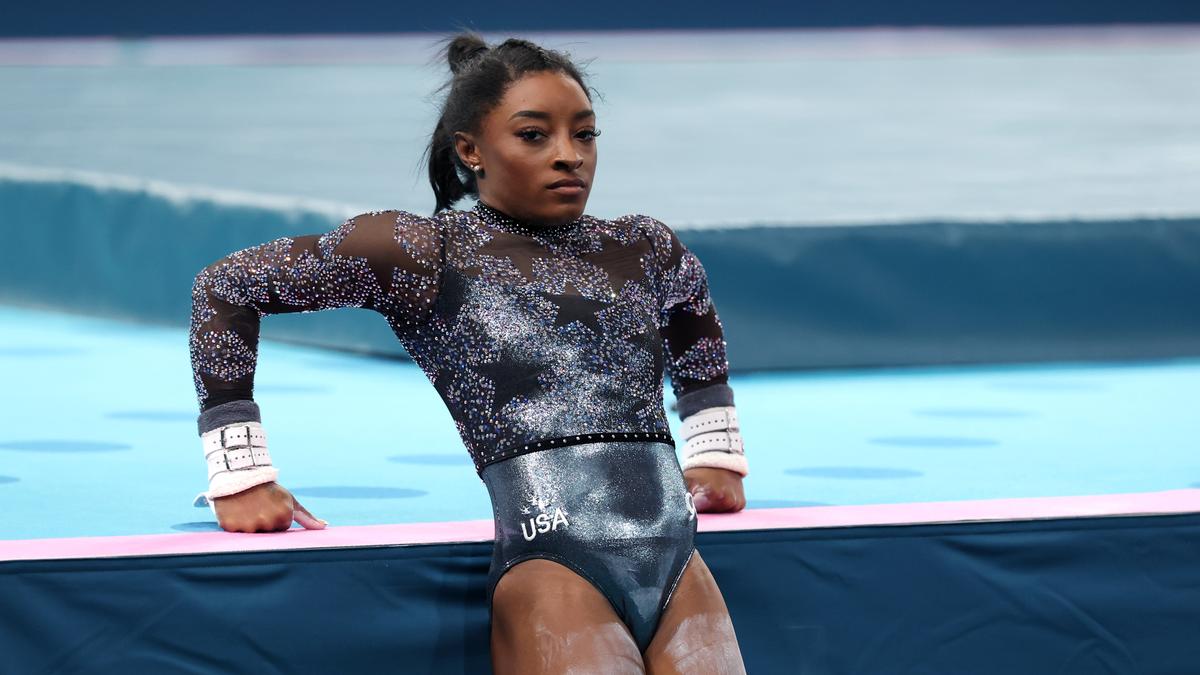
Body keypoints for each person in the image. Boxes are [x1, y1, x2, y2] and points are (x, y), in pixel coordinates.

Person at [188, 32, 750, 673]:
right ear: (471, 150)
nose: (569, 156)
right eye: (534, 135)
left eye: (585, 134)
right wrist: (240, 474)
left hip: (680, 564)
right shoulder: (424, 253)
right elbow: (227, 286)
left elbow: (693, 317)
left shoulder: (643, 246)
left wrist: (716, 453)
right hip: (555, 567)